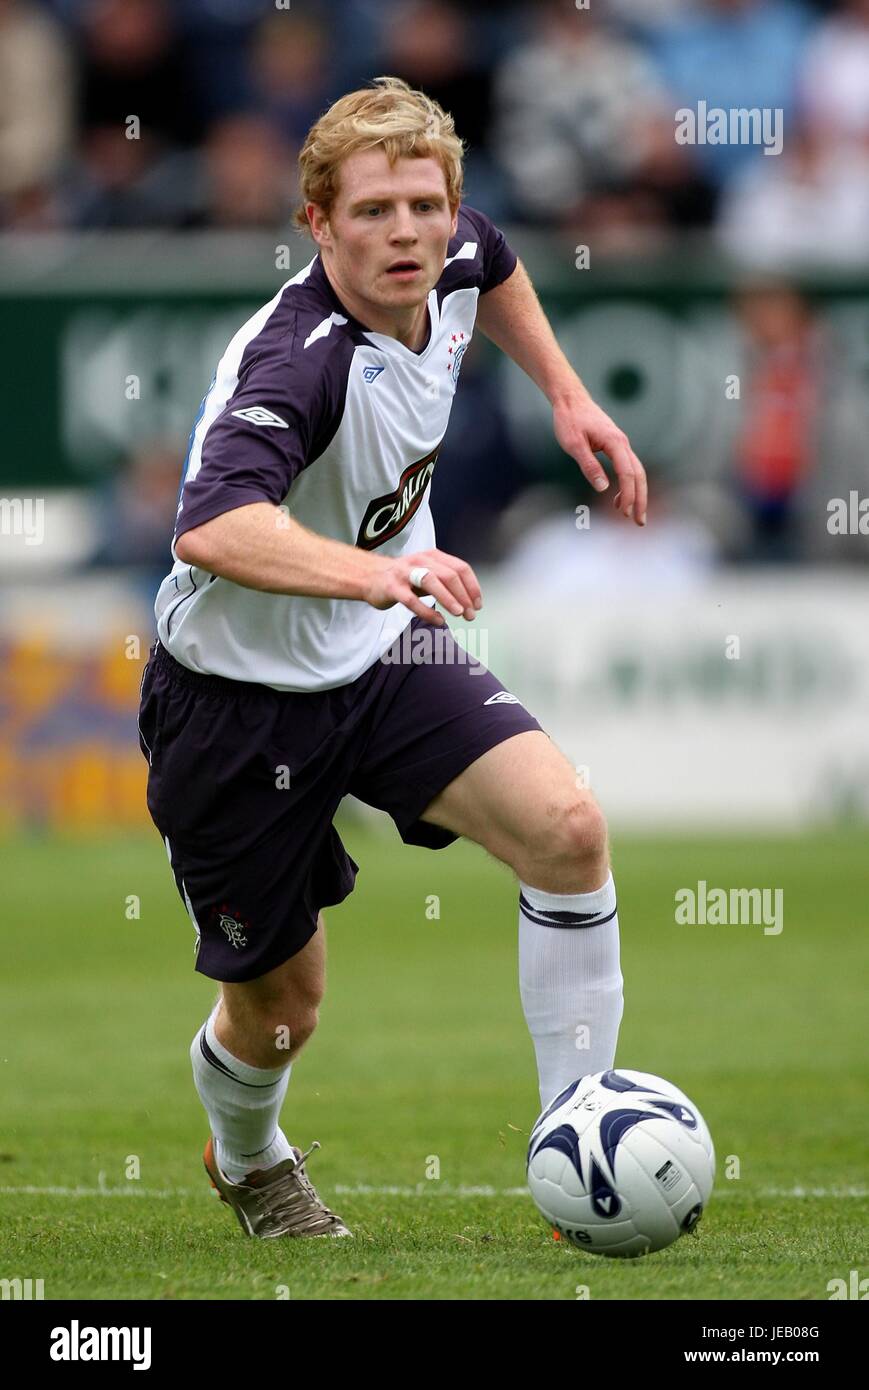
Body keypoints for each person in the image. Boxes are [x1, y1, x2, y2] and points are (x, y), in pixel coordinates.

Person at [137, 76, 647, 1240]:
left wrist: (565, 397)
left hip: (381, 658)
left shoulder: (450, 248)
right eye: (370, 213)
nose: (405, 233)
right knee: (280, 1012)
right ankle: (250, 1152)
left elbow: (497, 258)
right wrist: (375, 570)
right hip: (236, 701)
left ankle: (581, 1139)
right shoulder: (299, 360)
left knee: (566, 830)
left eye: (422, 205)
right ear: (316, 223)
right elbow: (211, 526)